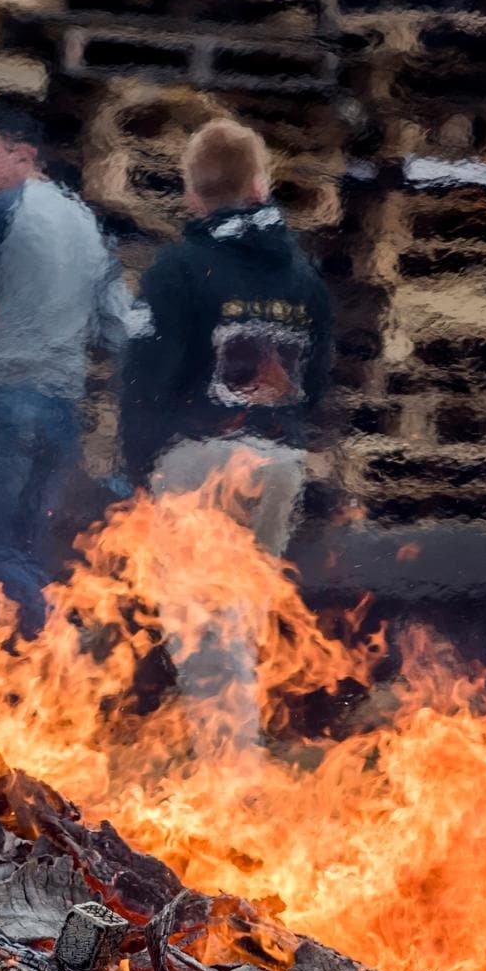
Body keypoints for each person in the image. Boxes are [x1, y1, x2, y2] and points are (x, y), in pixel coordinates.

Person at [121, 118, 332, 751]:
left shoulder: (179, 270)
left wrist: (143, 470)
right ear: (260, 184)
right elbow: (317, 382)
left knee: (207, 624)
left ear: (192, 193)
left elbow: (144, 380)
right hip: (279, 464)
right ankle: (231, 752)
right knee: (240, 617)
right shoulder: (304, 278)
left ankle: (231, 778)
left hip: (201, 461)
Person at [0, 98, 145, 636]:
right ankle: (39, 671)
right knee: (27, 545)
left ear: (24, 155)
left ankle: (47, 642)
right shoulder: (86, 223)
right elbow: (121, 323)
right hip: (59, 416)